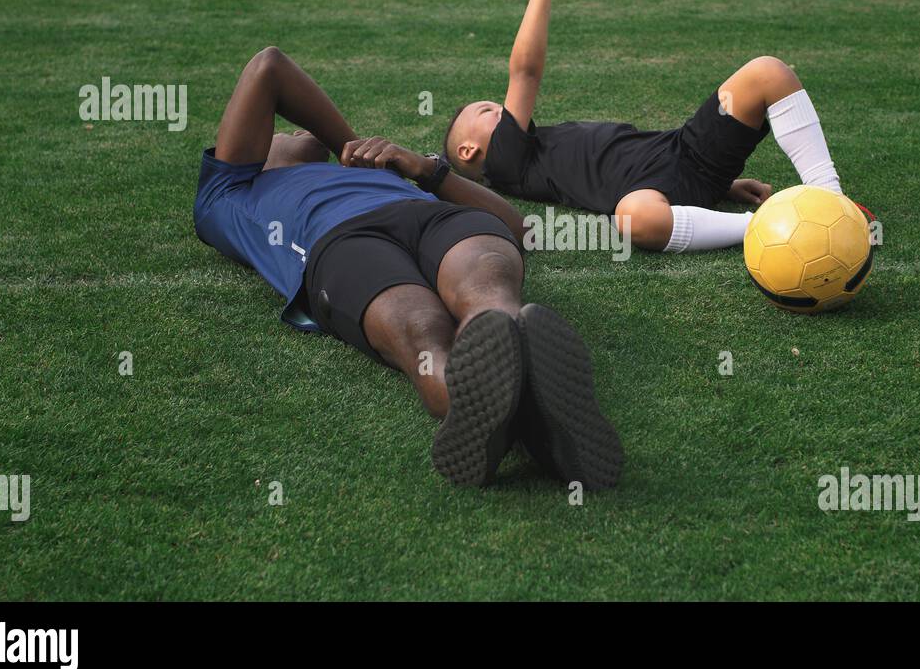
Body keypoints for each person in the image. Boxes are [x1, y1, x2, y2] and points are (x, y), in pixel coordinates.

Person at [193, 46, 623, 489]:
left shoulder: (385, 170)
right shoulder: (223, 191)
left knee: (490, 299)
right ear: (253, 147)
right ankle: (533, 417)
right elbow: (270, 68)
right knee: (420, 331)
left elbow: (518, 229)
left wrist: (426, 170)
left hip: (433, 217)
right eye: (286, 132)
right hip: (342, 241)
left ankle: (514, 405)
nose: (300, 130)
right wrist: (347, 143)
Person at [443, 0, 854, 252]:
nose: (499, 106)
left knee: (768, 72)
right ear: (470, 151)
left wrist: (724, 186)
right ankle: (774, 226)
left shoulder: (539, 147)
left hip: (689, 154)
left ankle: (832, 200)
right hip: (654, 197)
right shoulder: (503, 163)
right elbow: (525, 72)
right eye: (486, 111)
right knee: (632, 219)